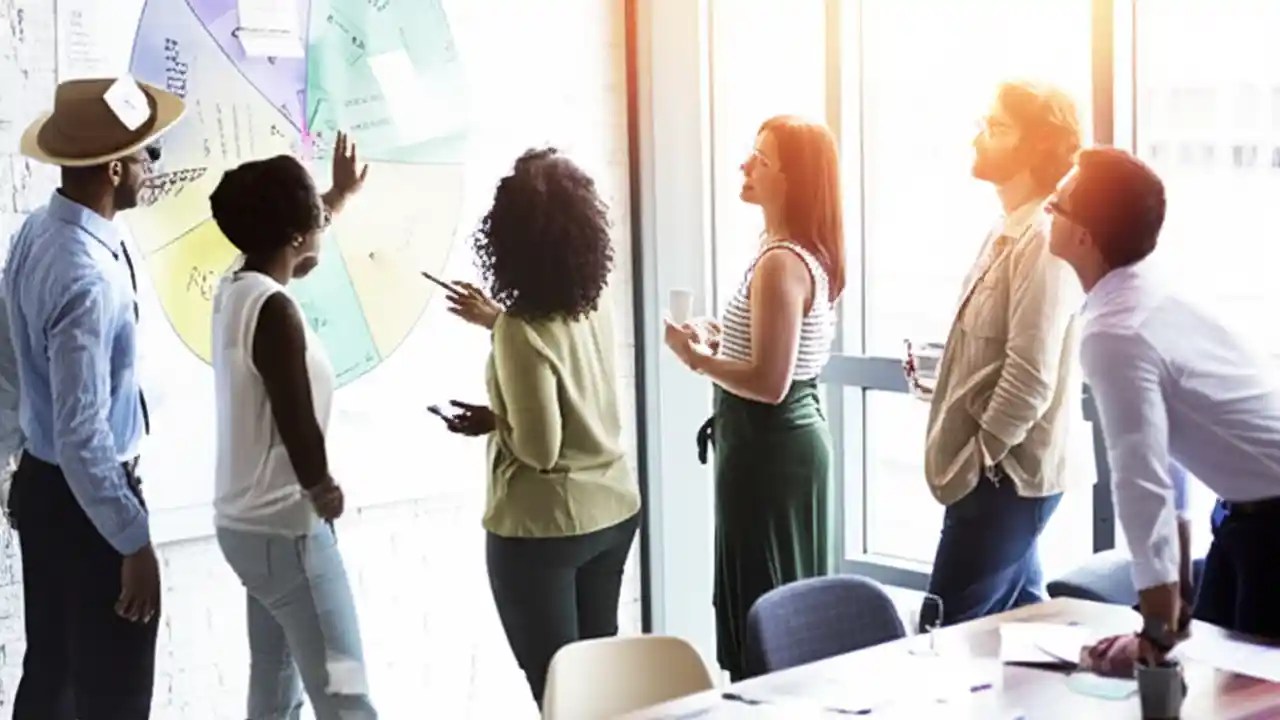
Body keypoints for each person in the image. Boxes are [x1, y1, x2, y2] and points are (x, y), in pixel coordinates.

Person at [1046, 147, 1280, 673]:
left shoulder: (1117, 330)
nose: (1047, 209)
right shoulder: (1149, 293)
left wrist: (1155, 627)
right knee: (1216, 678)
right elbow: (1168, 466)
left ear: (1084, 235)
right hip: (1245, 517)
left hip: (1269, 523)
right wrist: (1164, 620)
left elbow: (1140, 479)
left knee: (1250, 694)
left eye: (1055, 205)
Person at [1, 77, 184, 719]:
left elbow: (7, 366)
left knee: (51, 675)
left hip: (45, 490)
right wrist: (132, 541)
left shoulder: (34, 235)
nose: (151, 168)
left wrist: (13, 464)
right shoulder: (89, 277)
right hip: (90, 507)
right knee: (114, 693)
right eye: (146, 156)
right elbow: (84, 438)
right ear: (114, 168)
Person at [442, 147, 641, 708]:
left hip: (543, 530)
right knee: (598, 690)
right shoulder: (591, 301)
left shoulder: (518, 332)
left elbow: (539, 449)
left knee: (558, 695)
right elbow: (570, 381)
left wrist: (491, 422)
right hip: (613, 509)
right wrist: (496, 324)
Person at [663, 115, 842, 680]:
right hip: (777, 440)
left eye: (761, 160)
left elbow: (770, 383)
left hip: (769, 445)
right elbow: (775, 356)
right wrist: (722, 336)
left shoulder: (781, 262)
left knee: (765, 600)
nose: (745, 166)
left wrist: (694, 359)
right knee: (777, 595)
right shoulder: (789, 251)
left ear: (791, 179)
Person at [208, 137, 378, 719]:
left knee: (277, 688)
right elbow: (294, 413)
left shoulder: (237, 284)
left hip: (246, 530)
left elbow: (297, 230)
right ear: (294, 238)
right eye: (314, 224)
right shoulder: (275, 311)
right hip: (290, 532)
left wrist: (337, 198)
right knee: (347, 693)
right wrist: (321, 486)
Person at [908, 81, 1084, 629]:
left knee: (943, 638)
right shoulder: (1007, 229)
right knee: (1019, 631)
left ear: (1034, 147)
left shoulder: (1044, 238)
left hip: (1006, 479)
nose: (979, 138)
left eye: (997, 127)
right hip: (998, 478)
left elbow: (1031, 376)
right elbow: (997, 349)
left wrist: (981, 459)